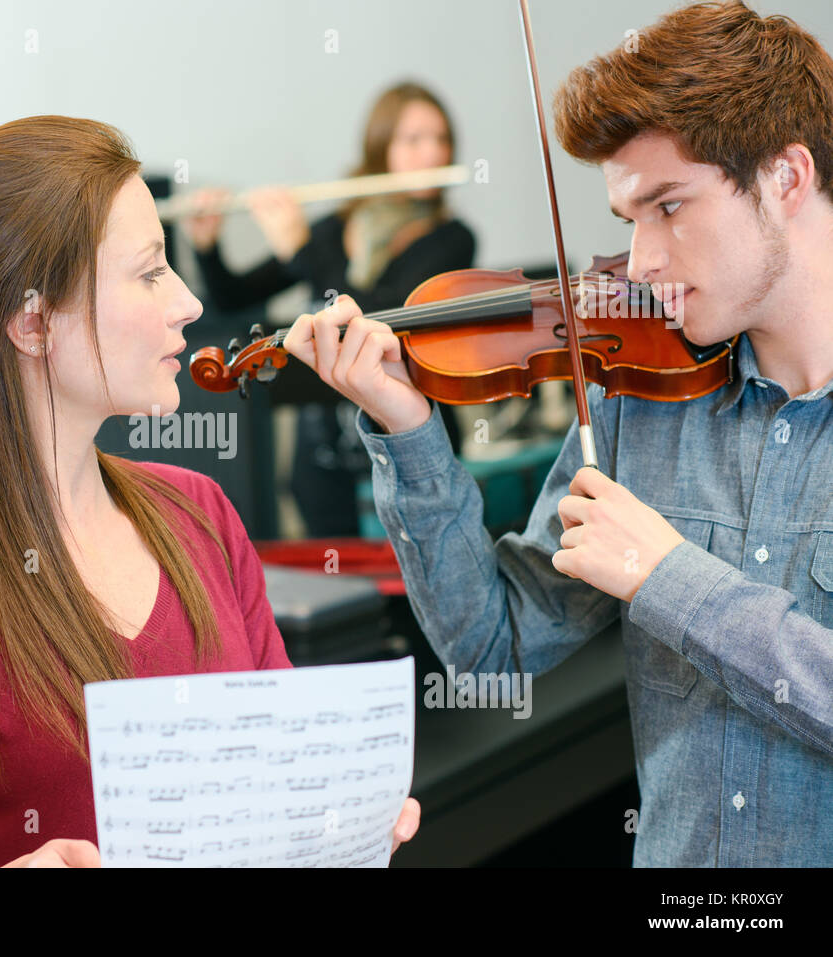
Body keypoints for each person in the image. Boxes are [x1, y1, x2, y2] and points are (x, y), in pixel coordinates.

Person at [283, 1, 833, 867]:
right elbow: (493, 644)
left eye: (669, 206)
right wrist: (410, 426)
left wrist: (669, 578)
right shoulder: (641, 394)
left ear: (787, 178)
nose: (641, 262)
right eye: (628, 221)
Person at [0, 115, 422, 867]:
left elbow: (269, 808)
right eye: (152, 270)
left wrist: (333, 824)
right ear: (33, 323)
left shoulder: (200, 513)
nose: (188, 303)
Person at [184, 82, 476, 535]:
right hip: (323, 455)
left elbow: (379, 317)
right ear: (381, 148)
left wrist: (300, 250)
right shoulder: (339, 228)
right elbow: (235, 298)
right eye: (414, 140)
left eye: (441, 139)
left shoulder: (452, 238)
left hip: (409, 438)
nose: (433, 153)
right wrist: (206, 246)